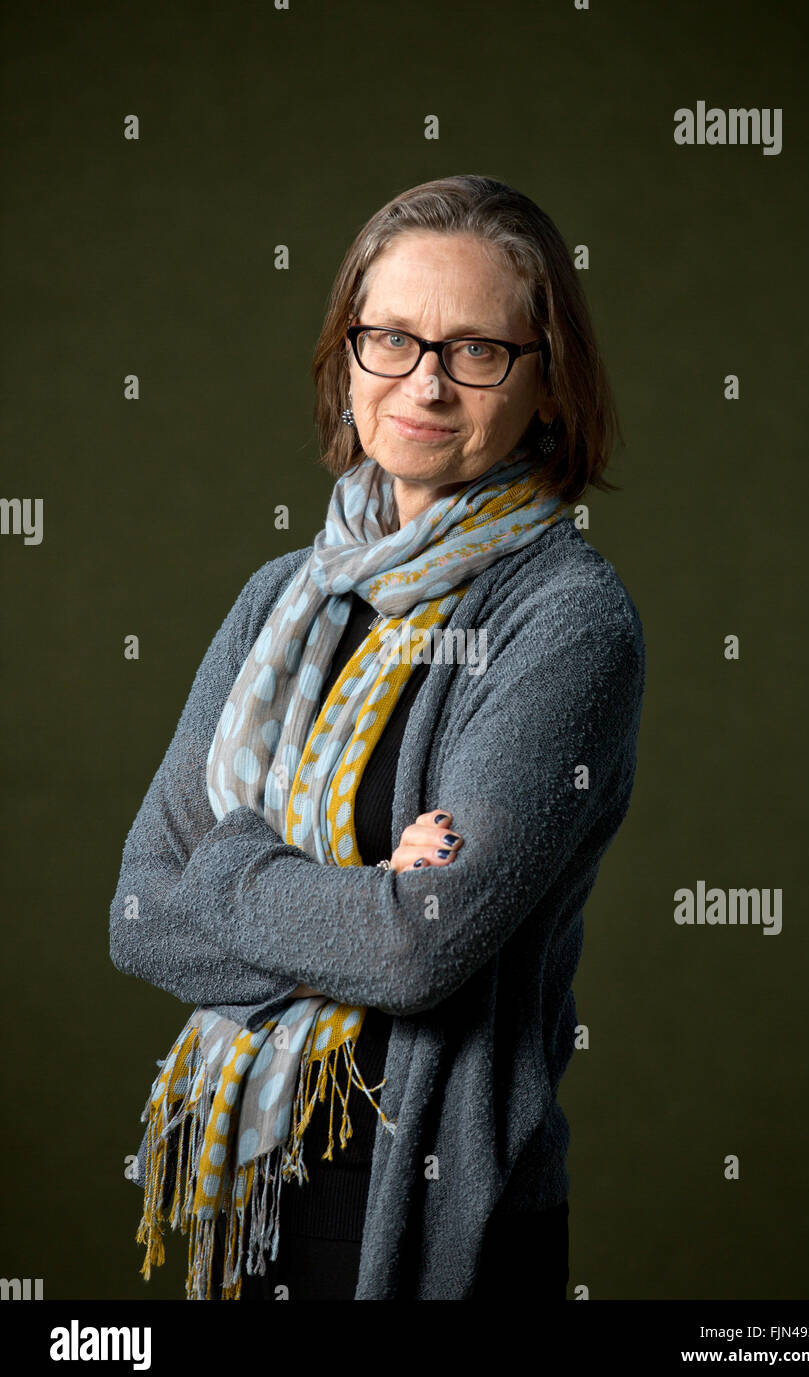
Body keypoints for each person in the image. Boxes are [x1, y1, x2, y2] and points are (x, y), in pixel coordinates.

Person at [110, 173, 646, 1301]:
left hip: (429, 1205)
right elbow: (140, 911)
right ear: (346, 354)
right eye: (390, 339)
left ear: (547, 382)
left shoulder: (564, 619)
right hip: (251, 1187)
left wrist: (232, 865)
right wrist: (357, 896)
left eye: (474, 351)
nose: (424, 384)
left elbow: (421, 948)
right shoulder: (279, 599)